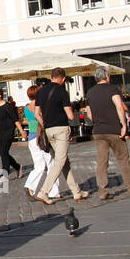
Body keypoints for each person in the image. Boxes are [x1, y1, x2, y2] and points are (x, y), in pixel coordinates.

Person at [84, 66, 130, 200]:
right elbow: (119, 106)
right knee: (123, 159)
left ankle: (103, 191)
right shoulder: (112, 89)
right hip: (113, 129)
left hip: (99, 131)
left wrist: (99, 121)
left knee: (102, 162)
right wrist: (123, 124)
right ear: (107, 76)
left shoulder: (90, 92)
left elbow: (89, 114)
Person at [34, 68, 88, 203]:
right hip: (61, 130)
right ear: (63, 79)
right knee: (60, 161)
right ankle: (44, 191)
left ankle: (76, 192)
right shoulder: (62, 92)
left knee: (64, 161)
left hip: (48, 130)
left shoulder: (40, 92)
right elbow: (70, 115)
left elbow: (36, 114)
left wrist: (44, 124)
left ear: (51, 77)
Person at [23, 84, 63, 200]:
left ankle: (30, 186)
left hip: (31, 138)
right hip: (41, 137)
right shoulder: (39, 106)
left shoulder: (26, 107)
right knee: (51, 163)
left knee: (39, 165)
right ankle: (53, 191)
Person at [0, 87, 25, 178]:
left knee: (4, 152)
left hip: (8, 132)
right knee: (3, 153)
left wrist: (22, 131)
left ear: (0, 96)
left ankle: (5, 171)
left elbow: (15, 120)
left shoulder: (8, 106)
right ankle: (17, 167)